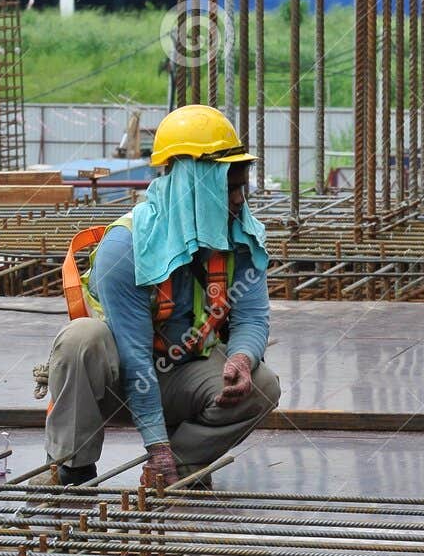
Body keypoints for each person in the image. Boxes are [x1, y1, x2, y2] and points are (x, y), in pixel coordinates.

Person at [38, 104, 280, 490]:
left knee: (262, 386)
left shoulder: (242, 236)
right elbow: (134, 358)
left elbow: (252, 317)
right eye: (230, 188)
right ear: (194, 185)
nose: (239, 199)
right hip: (114, 379)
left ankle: (178, 468)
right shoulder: (127, 245)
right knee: (79, 340)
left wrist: (241, 357)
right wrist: (156, 444)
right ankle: (72, 467)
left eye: (241, 187)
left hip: (180, 371)